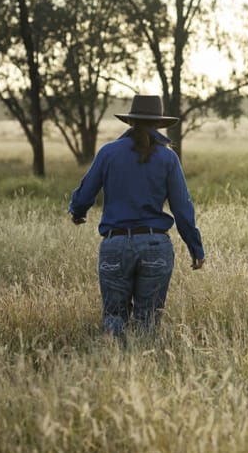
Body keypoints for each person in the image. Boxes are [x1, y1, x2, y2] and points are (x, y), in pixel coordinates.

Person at [69, 95, 206, 339]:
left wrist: (78, 213)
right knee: (148, 320)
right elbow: (182, 207)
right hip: (155, 245)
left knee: (114, 317)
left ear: (131, 121)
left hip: (115, 244)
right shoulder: (168, 158)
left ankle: (115, 370)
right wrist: (195, 247)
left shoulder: (108, 152)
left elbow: (84, 194)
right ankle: (142, 371)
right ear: (158, 124)